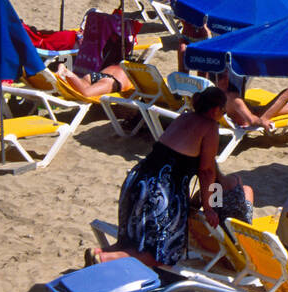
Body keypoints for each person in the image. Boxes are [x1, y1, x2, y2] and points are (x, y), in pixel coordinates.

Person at [90, 87, 230, 267]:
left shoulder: (184, 117)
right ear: (215, 109)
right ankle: (103, 259)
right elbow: (206, 171)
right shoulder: (210, 127)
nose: (223, 115)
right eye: (223, 111)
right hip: (160, 189)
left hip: (138, 179)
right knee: (161, 255)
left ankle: (98, 253)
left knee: (129, 243)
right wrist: (209, 207)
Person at [214, 70, 288, 131]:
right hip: (257, 119)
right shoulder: (234, 98)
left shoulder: (215, 93)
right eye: (225, 76)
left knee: (281, 105)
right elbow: (251, 120)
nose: (227, 78)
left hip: (251, 113)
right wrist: (263, 123)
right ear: (224, 79)